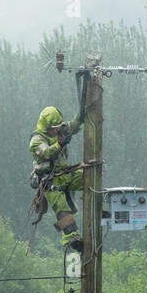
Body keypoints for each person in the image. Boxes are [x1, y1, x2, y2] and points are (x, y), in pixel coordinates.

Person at [28, 106, 85, 252]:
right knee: (62, 207)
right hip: (50, 180)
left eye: (57, 128)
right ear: (46, 127)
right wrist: (60, 143)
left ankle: (95, 207)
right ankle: (72, 237)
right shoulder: (36, 140)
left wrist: (83, 111)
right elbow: (46, 153)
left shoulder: (60, 129)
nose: (56, 131)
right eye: (53, 129)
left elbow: (74, 125)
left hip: (65, 174)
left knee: (88, 177)